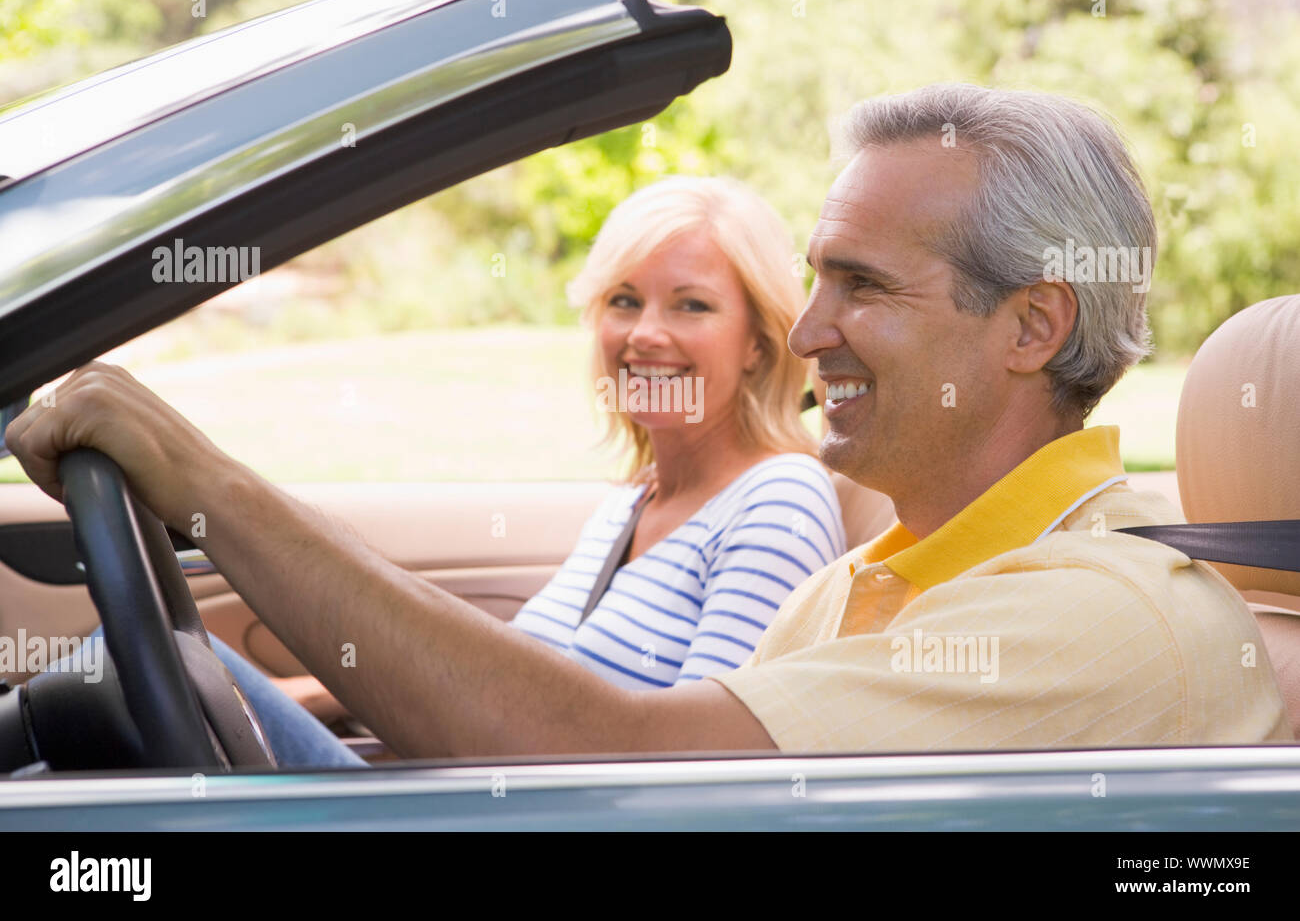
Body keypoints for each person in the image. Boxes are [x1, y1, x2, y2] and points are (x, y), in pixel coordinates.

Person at [10, 83, 1288, 763]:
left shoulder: (1105, 608)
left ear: (1030, 326)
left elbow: (599, 755)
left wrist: (210, 485)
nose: (805, 334)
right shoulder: (862, 580)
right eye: (816, 278)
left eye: (863, 287)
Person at [58, 176, 847, 766]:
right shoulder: (633, 503)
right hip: (469, 797)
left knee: (109, 687)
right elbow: (507, 685)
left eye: (692, 306)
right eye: (624, 299)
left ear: (758, 344)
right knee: (132, 674)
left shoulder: (777, 500)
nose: (646, 334)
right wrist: (316, 698)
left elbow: (699, 782)